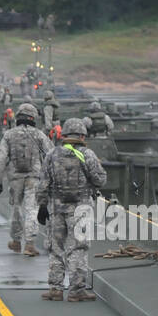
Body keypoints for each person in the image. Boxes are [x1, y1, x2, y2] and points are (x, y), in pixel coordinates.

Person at [37, 118, 107, 302]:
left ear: (64, 135)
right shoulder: (87, 154)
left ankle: (55, 289)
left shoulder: (52, 154)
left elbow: (43, 183)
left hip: (56, 208)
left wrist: (42, 205)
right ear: (83, 135)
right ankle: (76, 290)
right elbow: (100, 180)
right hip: (81, 209)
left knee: (56, 247)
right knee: (78, 247)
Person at [0, 102, 52, 257]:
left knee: (16, 209)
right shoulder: (39, 135)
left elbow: (1, 159)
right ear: (33, 117)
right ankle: (30, 245)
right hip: (34, 178)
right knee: (32, 209)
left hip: (14, 179)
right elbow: (51, 156)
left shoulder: (9, 135)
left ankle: (16, 242)